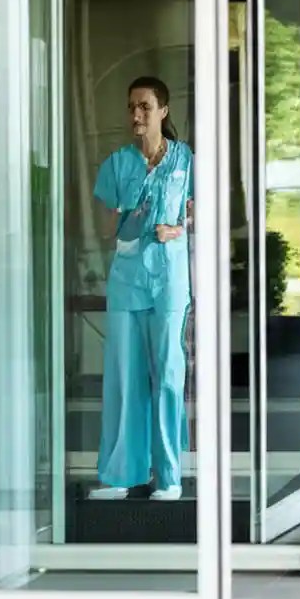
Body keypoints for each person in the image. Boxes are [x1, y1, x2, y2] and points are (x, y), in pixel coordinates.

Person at [89, 76, 195, 502]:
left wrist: (182, 226)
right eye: (132, 106)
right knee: (123, 375)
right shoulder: (117, 164)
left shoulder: (186, 161)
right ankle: (121, 473)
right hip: (127, 277)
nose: (136, 115)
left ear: (163, 112)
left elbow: (206, 210)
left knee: (168, 376)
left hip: (169, 279)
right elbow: (100, 224)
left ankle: (168, 476)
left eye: (145, 107)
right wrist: (121, 217)